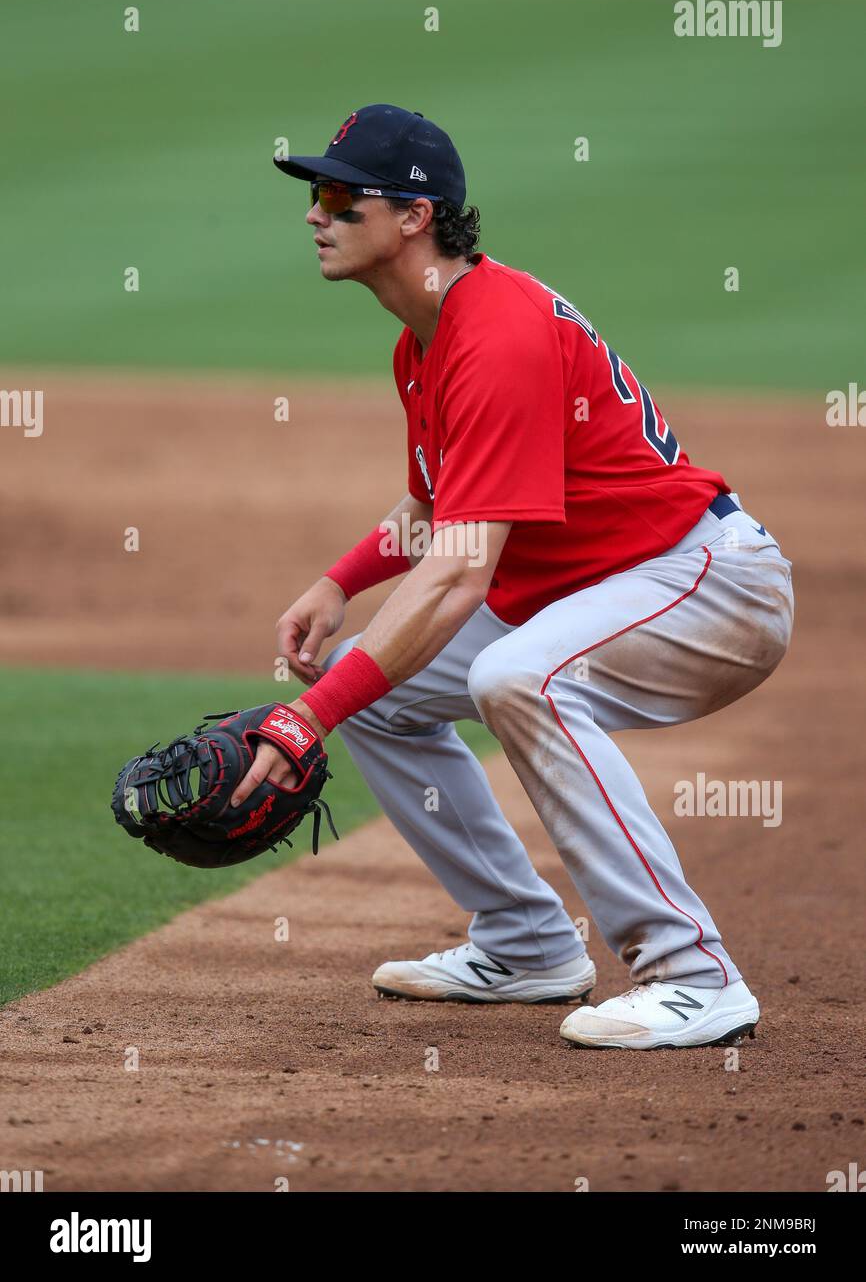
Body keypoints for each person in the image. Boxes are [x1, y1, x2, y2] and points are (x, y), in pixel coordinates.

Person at [231, 104, 794, 1050]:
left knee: (519, 675)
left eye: (337, 193)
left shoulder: (496, 335)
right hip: (615, 588)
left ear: (415, 216)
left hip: (708, 582)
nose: (314, 213)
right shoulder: (425, 339)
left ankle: (695, 974)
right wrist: (340, 583)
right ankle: (527, 942)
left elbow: (459, 574)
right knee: (371, 686)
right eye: (314, 193)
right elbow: (428, 512)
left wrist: (305, 722)